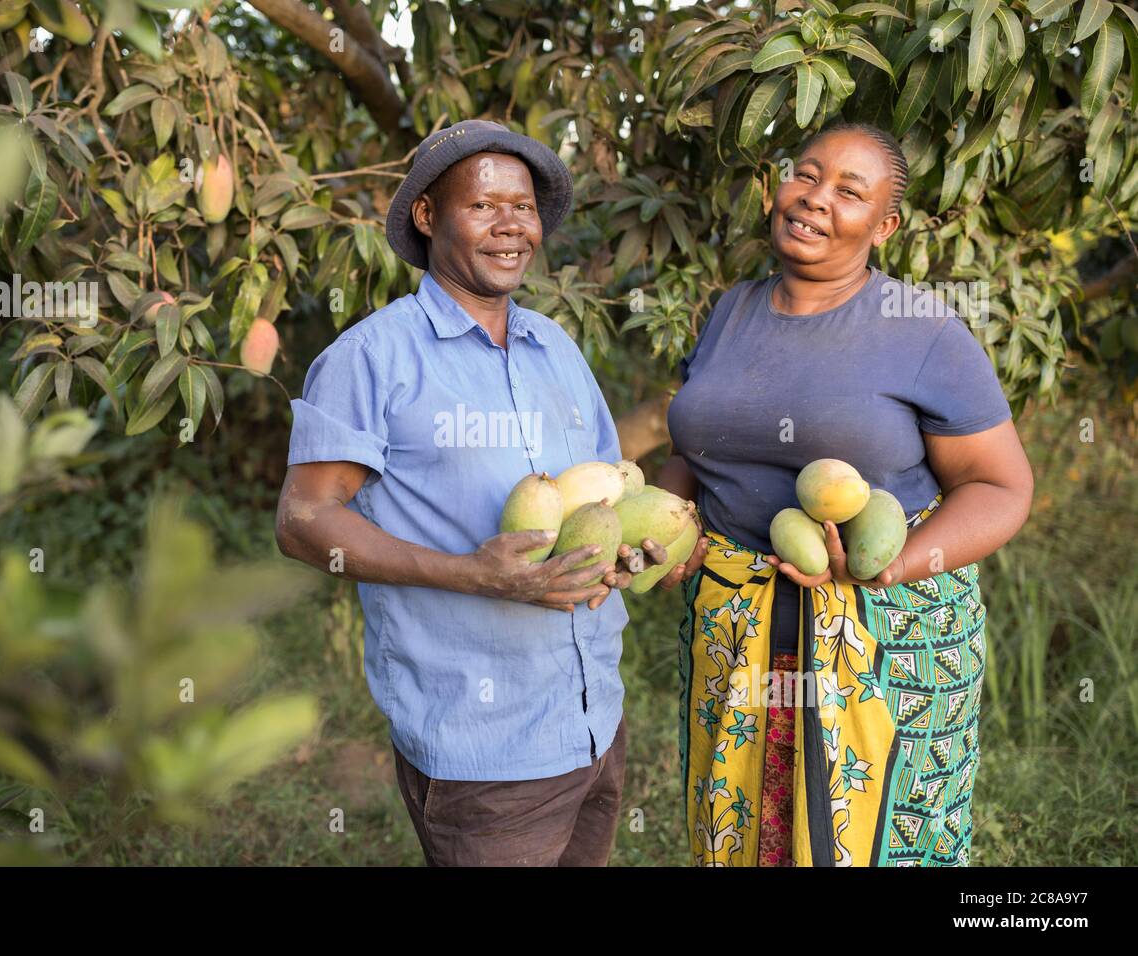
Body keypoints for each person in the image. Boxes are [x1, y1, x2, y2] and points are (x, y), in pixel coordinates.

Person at [651, 122, 1034, 866]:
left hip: (882, 635)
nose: (815, 199)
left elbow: (1002, 486)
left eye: (848, 192)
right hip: (738, 632)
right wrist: (669, 523)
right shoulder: (732, 311)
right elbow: (691, 450)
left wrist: (889, 565)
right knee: (750, 836)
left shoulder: (920, 328)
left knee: (877, 839)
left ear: (883, 225)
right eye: (806, 174)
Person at [275, 119, 653, 866]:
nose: (512, 225)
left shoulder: (558, 350)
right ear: (428, 216)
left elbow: (605, 497)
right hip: (483, 747)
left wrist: (624, 557)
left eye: (524, 206)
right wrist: (473, 575)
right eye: (484, 206)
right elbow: (303, 520)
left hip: (592, 718)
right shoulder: (371, 359)